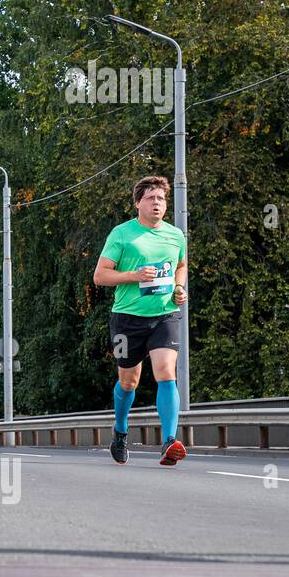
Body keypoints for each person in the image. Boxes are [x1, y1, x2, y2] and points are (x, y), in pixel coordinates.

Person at [93, 175, 189, 466]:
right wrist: (133, 276)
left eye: (161, 198)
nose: (157, 203)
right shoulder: (122, 234)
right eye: (150, 198)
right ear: (138, 203)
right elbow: (100, 276)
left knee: (165, 372)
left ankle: (169, 441)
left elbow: (181, 266)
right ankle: (121, 432)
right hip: (127, 319)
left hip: (165, 315)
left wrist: (180, 287)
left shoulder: (175, 235)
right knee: (128, 381)